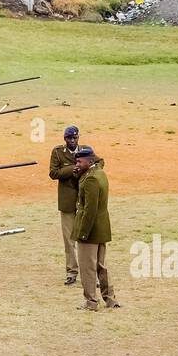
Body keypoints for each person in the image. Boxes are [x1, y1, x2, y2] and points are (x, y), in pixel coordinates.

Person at [72, 146, 120, 312]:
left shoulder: (91, 179)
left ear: (90, 161)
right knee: (101, 266)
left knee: (87, 268)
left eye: (79, 161)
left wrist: (82, 233)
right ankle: (110, 299)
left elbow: (89, 210)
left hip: (90, 230)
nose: (76, 163)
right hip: (101, 228)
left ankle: (91, 302)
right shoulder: (99, 172)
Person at [49, 125, 82, 285]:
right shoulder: (57, 152)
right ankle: (71, 272)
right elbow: (53, 173)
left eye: (75, 138)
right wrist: (72, 169)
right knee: (69, 240)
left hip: (83, 201)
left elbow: (99, 163)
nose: (72, 141)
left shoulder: (85, 151)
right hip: (67, 201)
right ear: (64, 139)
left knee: (87, 239)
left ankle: (91, 272)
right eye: (69, 138)